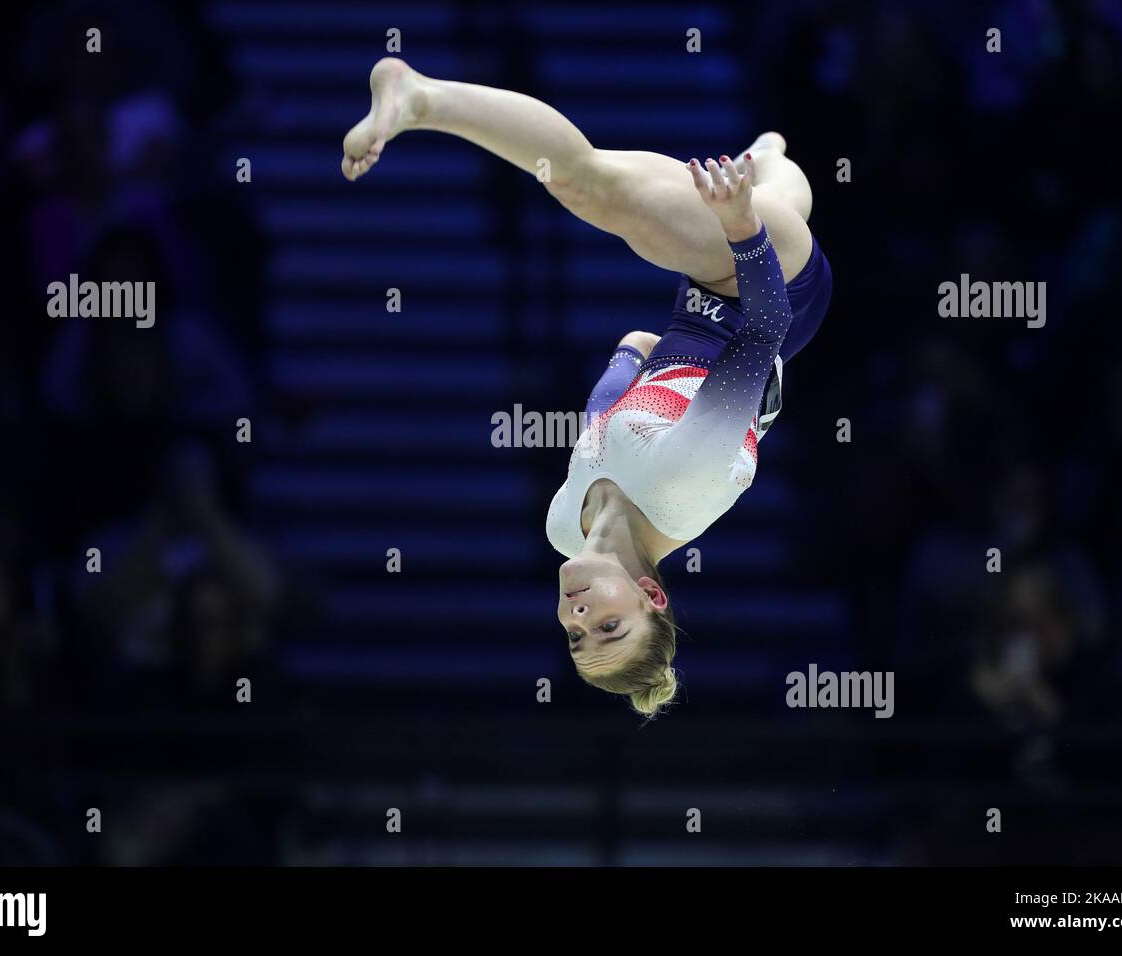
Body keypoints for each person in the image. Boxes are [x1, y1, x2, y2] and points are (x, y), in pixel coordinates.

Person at [343, 59, 832, 716]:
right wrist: (743, 227)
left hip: (703, 298)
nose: (579, 617)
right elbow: (768, 325)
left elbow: (599, 432)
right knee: (585, 186)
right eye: (609, 626)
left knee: (618, 183)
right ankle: (421, 98)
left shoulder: (563, 528)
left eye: (575, 637)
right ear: (651, 596)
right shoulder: (687, 486)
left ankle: (768, 159)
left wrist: (626, 361)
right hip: (770, 283)